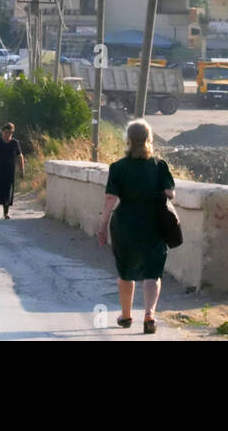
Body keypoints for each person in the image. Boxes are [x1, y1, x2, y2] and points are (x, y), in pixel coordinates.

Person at [97, 119, 175, 335]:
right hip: (154, 224)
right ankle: (150, 314)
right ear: (149, 139)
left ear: (128, 140)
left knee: (126, 271)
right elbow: (170, 193)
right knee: (152, 271)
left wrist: (102, 226)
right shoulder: (159, 166)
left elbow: (110, 199)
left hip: (125, 225)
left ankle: (126, 315)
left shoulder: (118, 167)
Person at [0, 123, 23, 220]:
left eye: (9, 132)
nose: (7, 134)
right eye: (5, 132)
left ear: (12, 133)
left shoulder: (15, 143)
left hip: (9, 172)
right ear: (2, 132)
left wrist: (21, 170)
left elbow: (20, 156)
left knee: (7, 192)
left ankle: (6, 213)